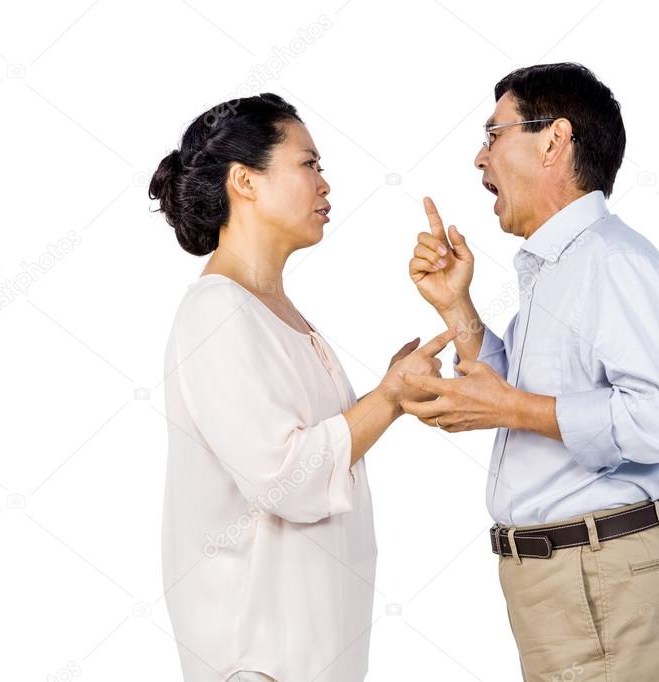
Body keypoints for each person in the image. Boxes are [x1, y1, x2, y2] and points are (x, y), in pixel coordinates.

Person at [402, 63, 659, 680]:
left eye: (493, 135)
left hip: (600, 576)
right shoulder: (555, 265)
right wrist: (457, 306)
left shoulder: (611, 261)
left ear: (553, 140)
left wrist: (510, 410)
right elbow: (518, 390)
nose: (478, 158)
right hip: (570, 580)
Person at [151, 92, 452, 682]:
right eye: (308, 164)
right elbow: (284, 478)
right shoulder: (217, 311)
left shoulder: (275, 310)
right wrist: (387, 398)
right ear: (246, 182)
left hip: (314, 655)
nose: (325, 185)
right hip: (258, 661)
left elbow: (317, 449)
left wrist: (390, 396)